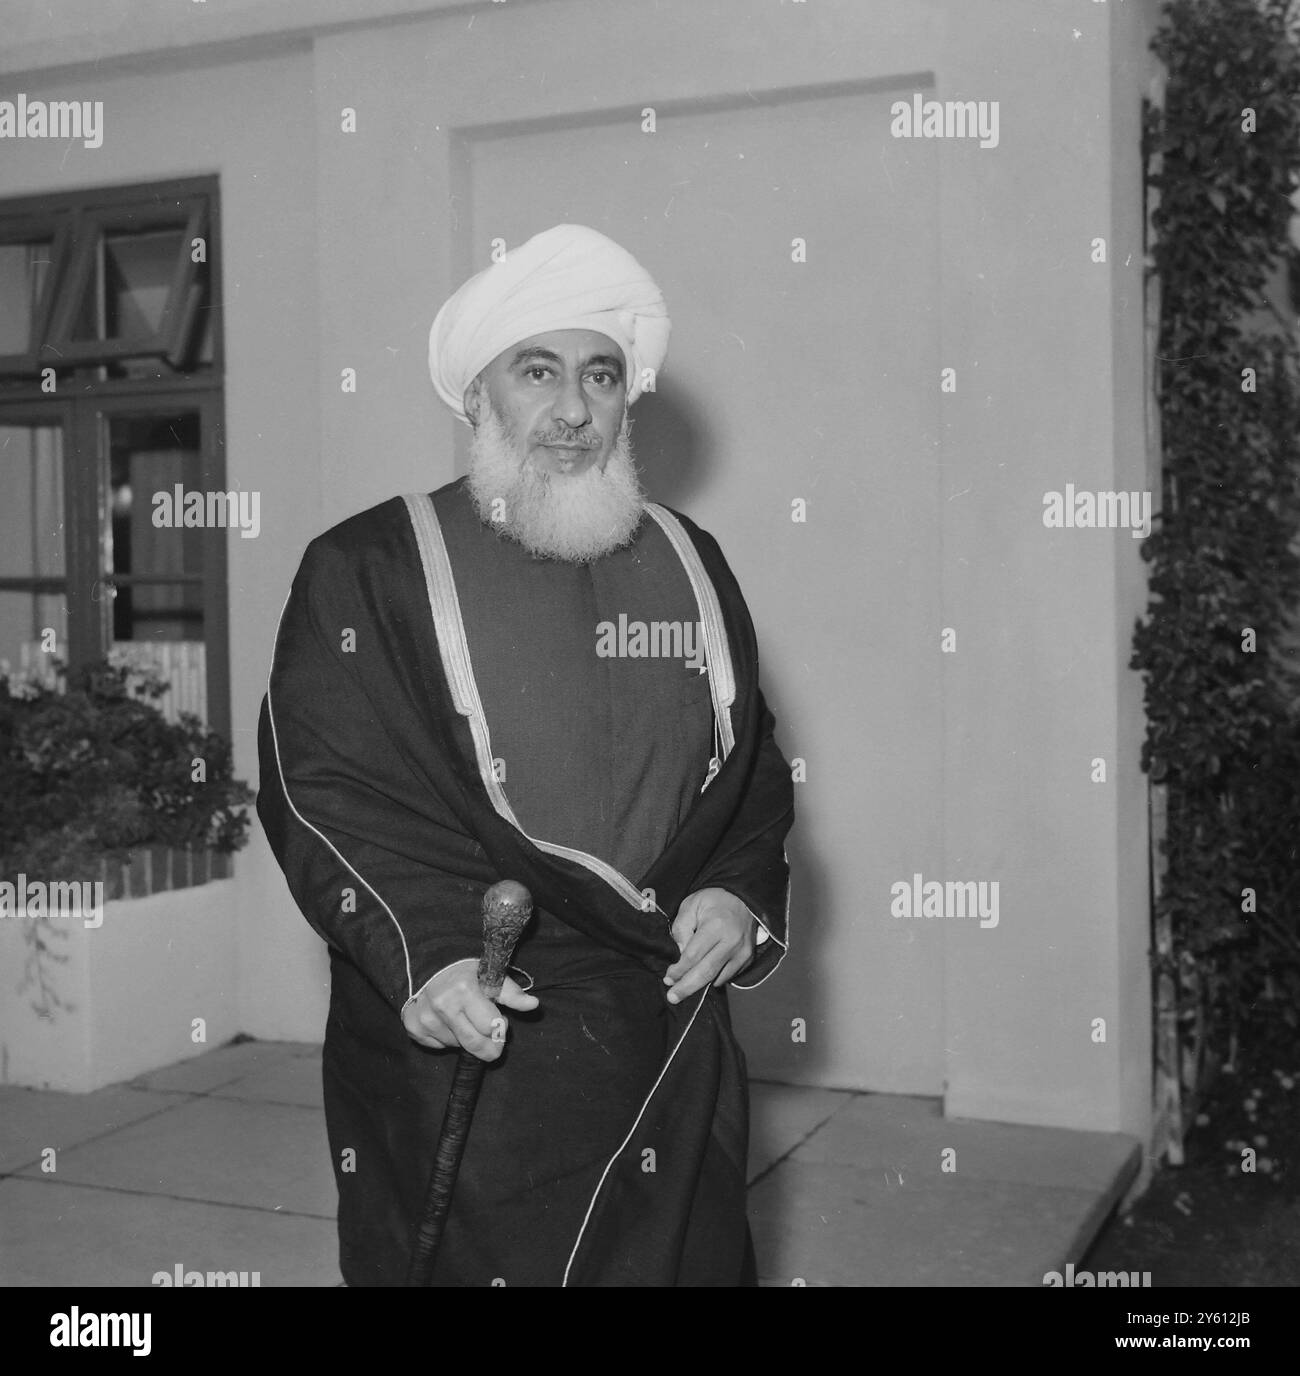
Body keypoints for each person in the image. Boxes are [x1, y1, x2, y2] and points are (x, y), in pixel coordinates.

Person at [257, 224, 794, 1287]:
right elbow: (324, 788)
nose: (574, 409)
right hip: (476, 1010)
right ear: (477, 397)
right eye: (536, 372)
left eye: (600, 374)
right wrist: (438, 951)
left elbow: (751, 767)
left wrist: (736, 891)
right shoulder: (368, 565)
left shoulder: (691, 560)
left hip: (664, 1021)